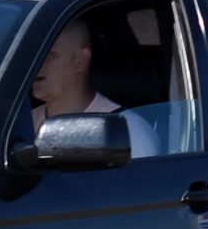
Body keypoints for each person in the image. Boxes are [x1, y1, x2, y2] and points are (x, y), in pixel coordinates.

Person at [32, 18, 158, 158]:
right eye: (34, 55)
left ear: (81, 60)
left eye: (50, 55)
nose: (36, 63)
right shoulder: (23, 125)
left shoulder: (127, 131)